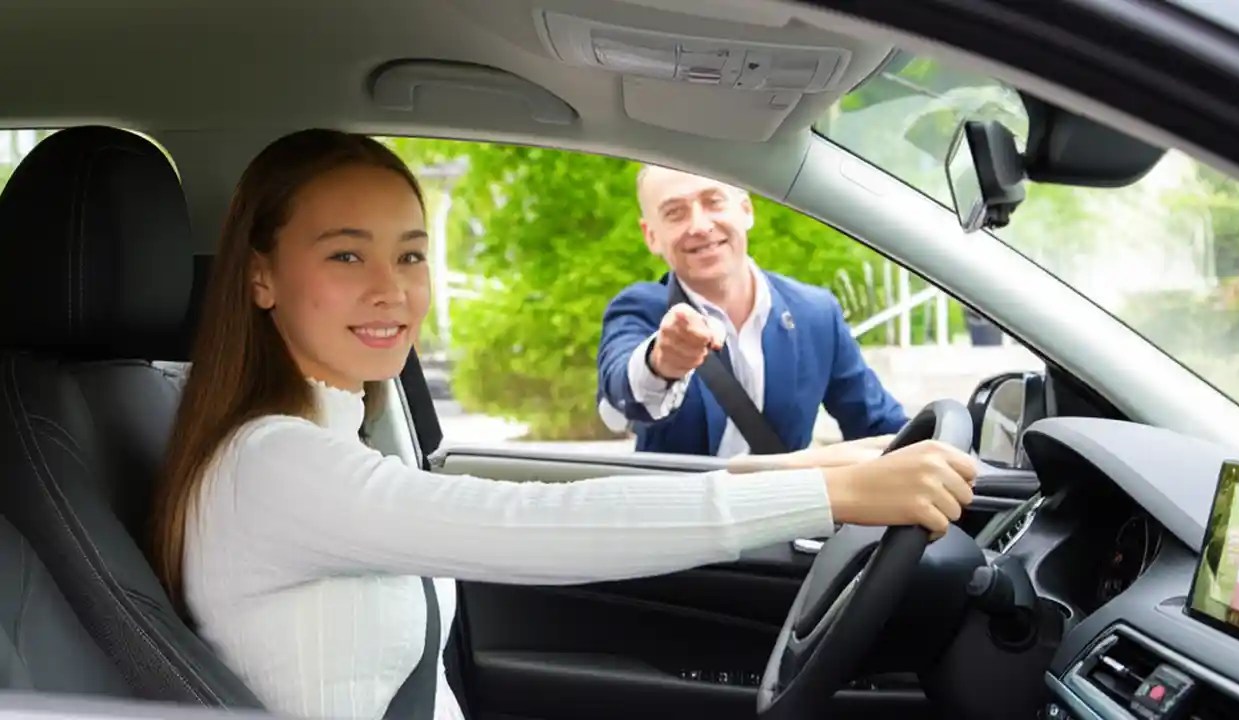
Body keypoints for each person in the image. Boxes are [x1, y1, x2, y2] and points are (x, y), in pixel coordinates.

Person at [150, 129, 977, 720]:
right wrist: (834, 493)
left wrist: (815, 468)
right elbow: (533, 523)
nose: (392, 289)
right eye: (344, 254)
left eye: (408, 254)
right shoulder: (274, 465)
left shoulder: (335, 440)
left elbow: (524, 499)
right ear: (261, 278)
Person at [597, 165, 908, 458]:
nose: (700, 226)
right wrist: (661, 363)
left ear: (746, 210)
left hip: (786, 509)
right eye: (675, 213)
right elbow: (621, 390)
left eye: (713, 201)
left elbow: (877, 423)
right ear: (651, 235)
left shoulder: (815, 313)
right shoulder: (640, 309)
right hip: (683, 512)